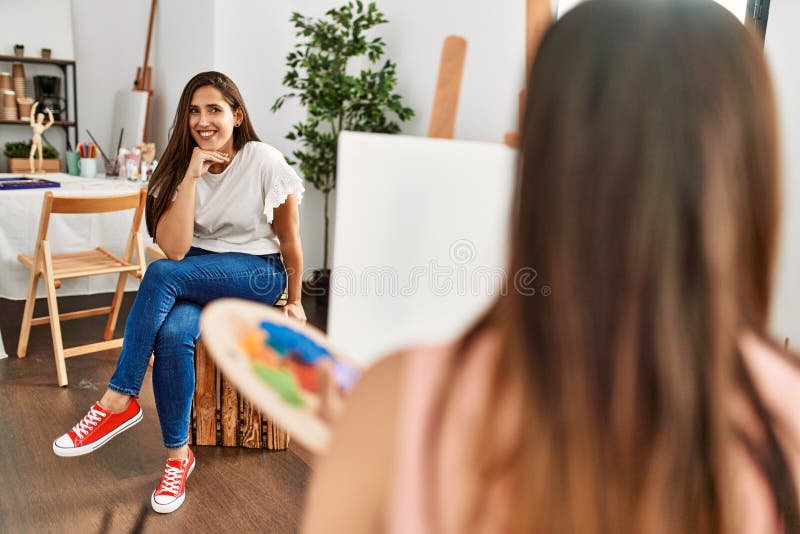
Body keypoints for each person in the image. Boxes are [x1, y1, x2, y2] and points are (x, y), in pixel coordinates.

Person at [302, 1, 800, 533]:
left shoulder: (399, 400)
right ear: (750, 171)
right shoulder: (784, 418)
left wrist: (357, 449)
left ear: (544, 160)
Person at [51, 71, 306, 514]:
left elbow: (289, 240)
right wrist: (190, 176)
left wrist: (298, 299)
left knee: (161, 274)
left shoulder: (263, 160)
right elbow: (177, 248)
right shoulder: (178, 166)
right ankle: (177, 458)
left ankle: (118, 398)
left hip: (258, 272)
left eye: (215, 110)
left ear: (236, 115)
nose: (203, 120)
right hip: (198, 270)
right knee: (172, 334)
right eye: (194, 110)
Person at [28, 101, 54, 173]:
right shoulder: (34, 124)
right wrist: (34, 106)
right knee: (32, 153)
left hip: (39, 138)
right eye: (39, 117)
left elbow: (51, 121)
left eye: (41, 117)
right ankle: (32, 169)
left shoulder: (43, 127)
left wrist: (49, 112)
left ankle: (39, 169)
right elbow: (32, 115)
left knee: (40, 154)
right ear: (37, 118)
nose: (40, 118)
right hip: (35, 137)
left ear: (42, 119)